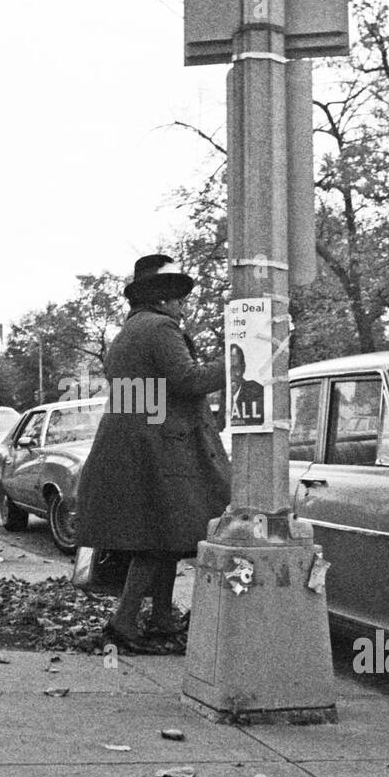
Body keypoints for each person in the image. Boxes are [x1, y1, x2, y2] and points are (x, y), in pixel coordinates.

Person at [75, 254, 231, 653]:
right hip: (161, 450)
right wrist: (236, 360)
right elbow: (188, 380)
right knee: (158, 540)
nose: (182, 305)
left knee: (165, 536)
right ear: (160, 299)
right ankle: (125, 625)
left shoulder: (127, 333)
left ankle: (161, 618)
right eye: (176, 297)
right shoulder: (161, 328)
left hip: (135, 448)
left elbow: (141, 397)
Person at [229, 344, 266, 427]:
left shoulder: (256, 391)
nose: (233, 375)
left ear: (243, 368)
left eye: (236, 368)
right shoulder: (225, 396)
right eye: (230, 370)